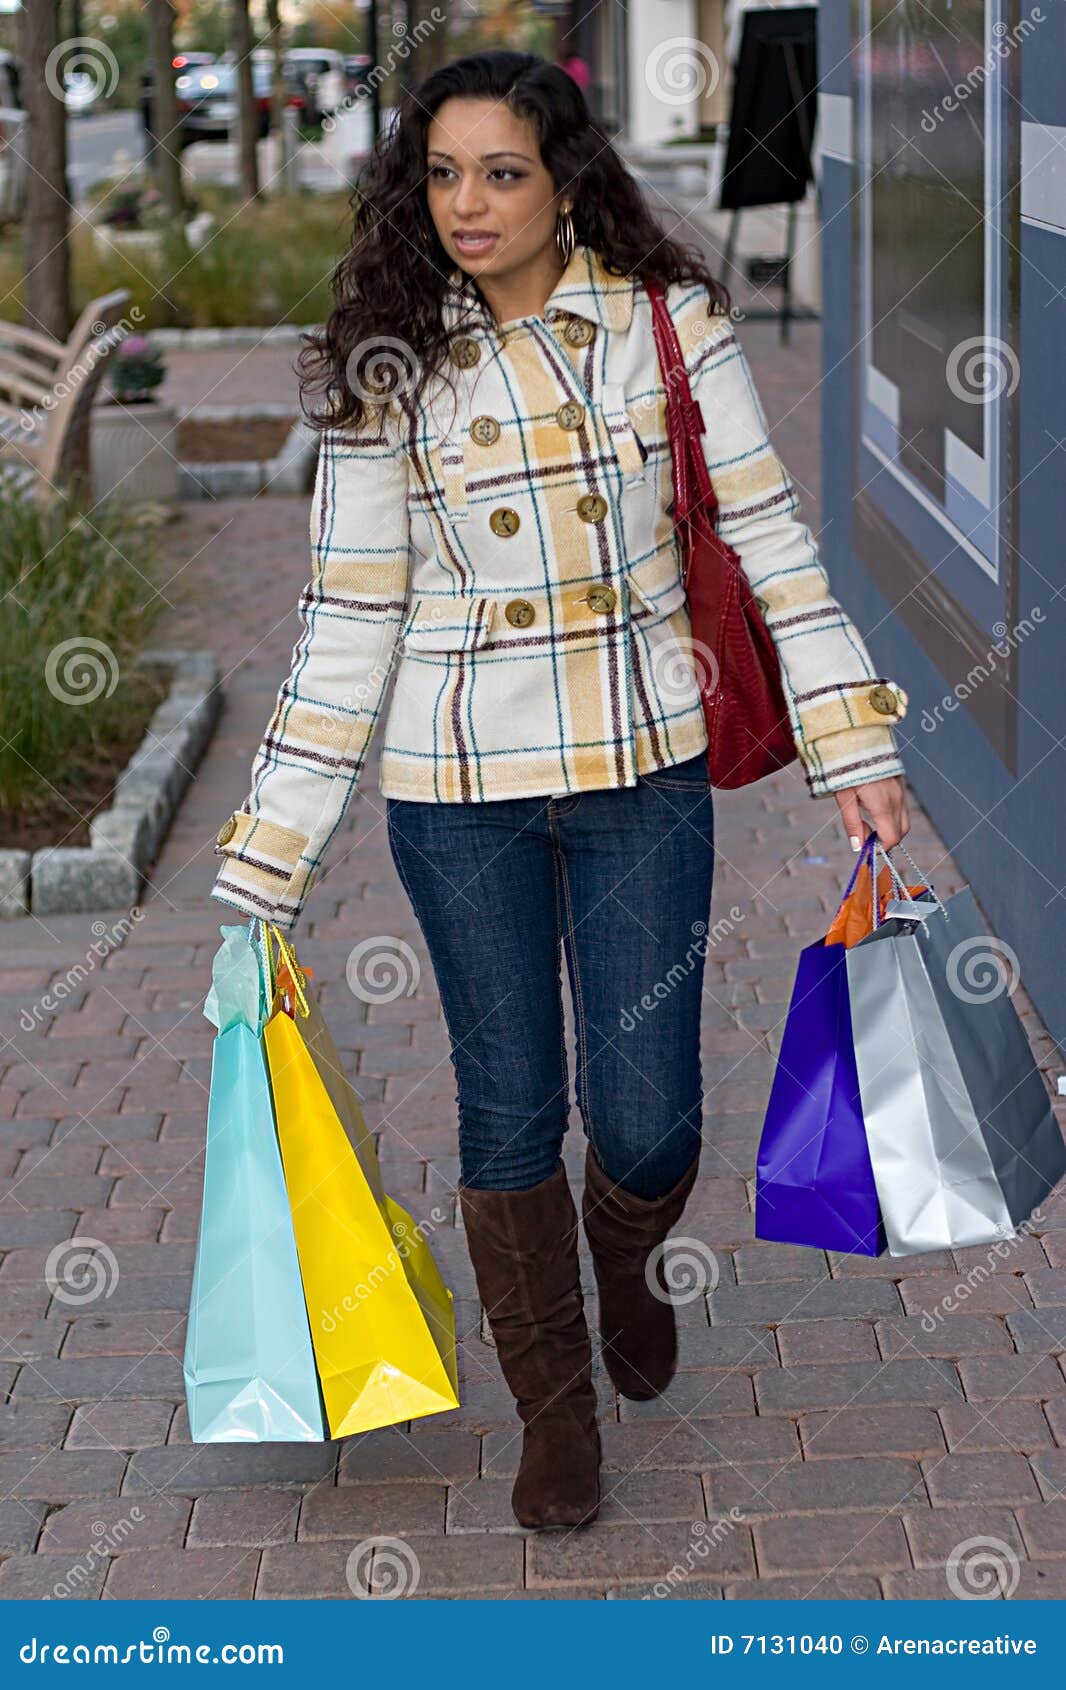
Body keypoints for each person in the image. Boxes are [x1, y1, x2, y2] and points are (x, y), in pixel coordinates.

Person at [210, 50, 910, 1531]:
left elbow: (777, 546)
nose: (467, 204)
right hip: (456, 784)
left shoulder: (667, 325)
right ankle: (556, 1411)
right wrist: (266, 854)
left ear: (566, 177)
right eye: (443, 173)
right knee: (509, 1106)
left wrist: (855, 745)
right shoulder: (389, 357)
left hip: (640, 767)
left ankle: (628, 1249)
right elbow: (347, 617)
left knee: (649, 1119)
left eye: (502, 172)